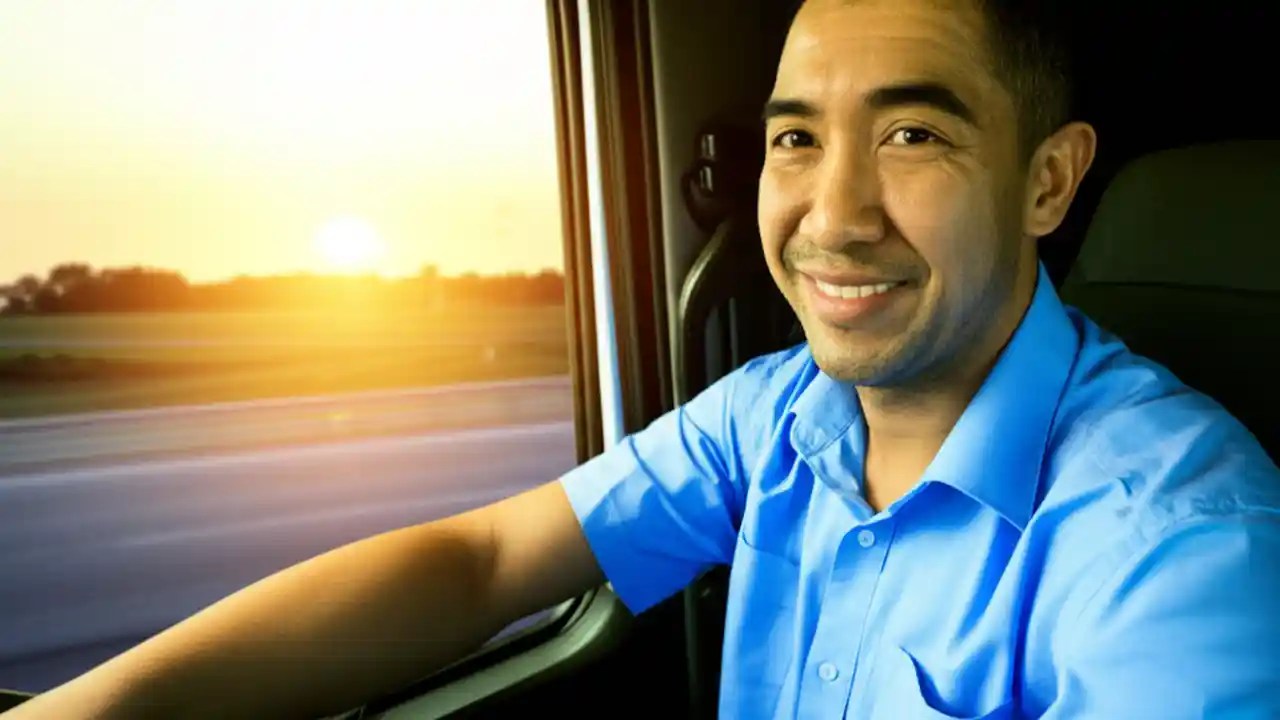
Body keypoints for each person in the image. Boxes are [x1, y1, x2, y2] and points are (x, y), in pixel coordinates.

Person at [7, 0, 1280, 717]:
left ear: (1046, 181)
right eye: (794, 141)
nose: (830, 216)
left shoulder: (1178, 543)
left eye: (909, 137)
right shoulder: (785, 414)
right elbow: (485, 560)